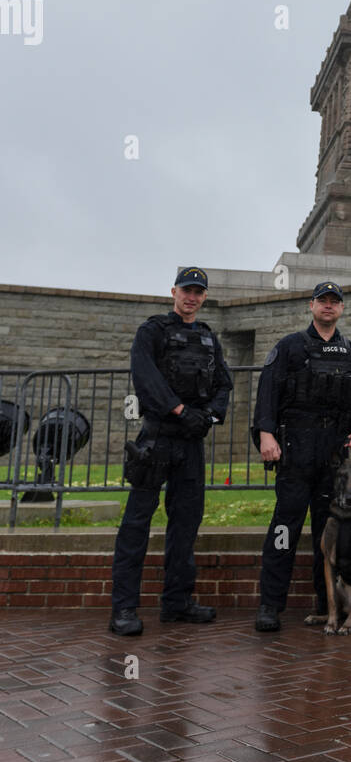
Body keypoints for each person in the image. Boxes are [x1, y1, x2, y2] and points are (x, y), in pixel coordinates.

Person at [110, 267, 233, 636]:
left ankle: (177, 603)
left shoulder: (210, 339)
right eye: (186, 290)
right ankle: (123, 610)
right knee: (136, 524)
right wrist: (180, 411)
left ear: (205, 297)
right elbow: (145, 376)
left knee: (185, 526)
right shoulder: (153, 331)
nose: (191, 297)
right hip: (158, 439)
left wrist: (208, 416)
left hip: (191, 443)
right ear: (173, 292)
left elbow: (224, 384)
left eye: (198, 292)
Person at [253, 282, 351, 632]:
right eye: (322, 301)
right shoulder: (290, 347)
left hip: (335, 459)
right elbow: (268, 393)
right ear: (311, 306)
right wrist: (266, 435)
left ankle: (327, 605)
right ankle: (270, 605)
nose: (328, 306)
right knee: (284, 528)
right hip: (295, 449)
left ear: (341, 308)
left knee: (329, 534)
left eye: (334, 302)